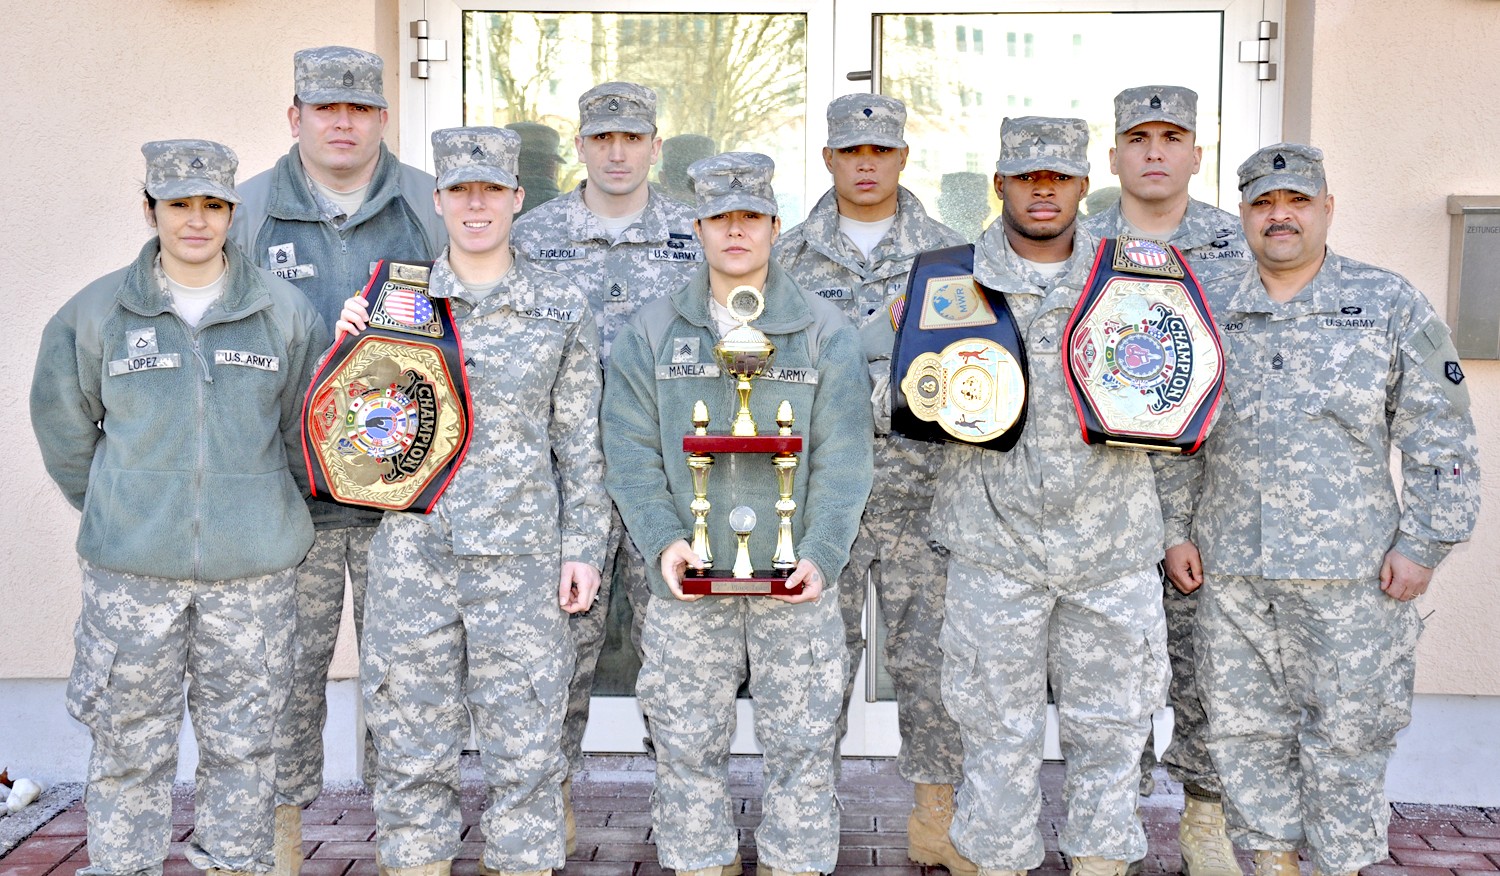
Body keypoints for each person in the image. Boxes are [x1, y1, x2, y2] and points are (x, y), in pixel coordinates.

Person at [1156, 143, 1481, 876]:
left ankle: (1340, 865)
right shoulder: (1205, 304)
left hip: (1354, 576)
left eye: (1297, 201)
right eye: (1263, 203)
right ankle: (1272, 862)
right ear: (1242, 213)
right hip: (1231, 571)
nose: (1280, 216)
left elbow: (1441, 433)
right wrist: (1176, 529)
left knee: (1349, 735)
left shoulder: (1386, 302)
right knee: (1242, 732)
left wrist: (1424, 542)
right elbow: (1176, 432)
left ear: (1326, 208)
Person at [30, 140, 327, 876]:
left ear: (233, 212)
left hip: (252, 578)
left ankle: (236, 865)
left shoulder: (283, 314)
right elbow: (67, 432)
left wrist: (260, 515)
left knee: (247, 748)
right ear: (150, 210)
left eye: (213, 205)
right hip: (134, 578)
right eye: (178, 204)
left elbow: (305, 435)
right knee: (129, 745)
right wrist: (126, 508)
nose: (196, 221)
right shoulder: (95, 314)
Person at [334, 126, 607, 876]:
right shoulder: (395, 300)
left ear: (518, 198)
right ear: (440, 200)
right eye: (461, 190)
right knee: (411, 733)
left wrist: (584, 546)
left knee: (525, 740)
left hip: (521, 558)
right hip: (415, 551)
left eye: (492, 189)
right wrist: (347, 352)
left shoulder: (559, 306)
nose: (476, 204)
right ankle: (415, 864)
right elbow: (353, 433)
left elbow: (581, 444)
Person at [602, 152, 874, 876]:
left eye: (749, 216)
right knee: (686, 747)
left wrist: (821, 550)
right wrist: (664, 541)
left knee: (805, 751)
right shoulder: (653, 330)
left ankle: (799, 864)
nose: (735, 231)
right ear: (697, 226)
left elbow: (846, 456)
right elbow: (628, 452)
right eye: (720, 217)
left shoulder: (823, 330)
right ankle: (699, 863)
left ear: (775, 225)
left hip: (797, 583)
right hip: (688, 585)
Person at [929, 117, 1169, 876]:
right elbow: (885, 400)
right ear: (999, 183)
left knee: (1114, 729)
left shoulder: (1137, 277)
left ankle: (1101, 862)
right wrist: (935, 385)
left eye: (1058, 178)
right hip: (994, 551)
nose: (1042, 191)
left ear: (1080, 186)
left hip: (1111, 551)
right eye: (1027, 176)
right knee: (996, 734)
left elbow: (1191, 398)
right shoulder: (948, 278)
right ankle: (997, 862)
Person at [229, 45, 445, 874]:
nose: (344, 122)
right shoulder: (246, 214)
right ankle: (279, 843)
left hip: (407, 498)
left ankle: (413, 850)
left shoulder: (433, 205)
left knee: (411, 681)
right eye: (326, 108)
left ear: (384, 118)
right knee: (283, 677)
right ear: (295, 116)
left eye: (360, 108)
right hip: (289, 500)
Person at [773, 93, 971, 875]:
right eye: (850, 151)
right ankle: (805, 828)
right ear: (827, 158)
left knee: (933, 667)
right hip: (823, 500)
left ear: (901, 158)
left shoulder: (953, 256)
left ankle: (935, 823)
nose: (865, 164)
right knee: (812, 671)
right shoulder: (785, 258)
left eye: (880, 152)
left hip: (928, 496)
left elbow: (973, 373)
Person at [511, 81, 705, 848]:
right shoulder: (532, 235)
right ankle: (542, 816)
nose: (618, 152)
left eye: (633, 138)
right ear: (581, 146)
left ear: (657, 145)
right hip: (564, 487)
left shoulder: (698, 234)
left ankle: (687, 825)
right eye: (601, 139)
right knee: (555, 663)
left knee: (678, 666)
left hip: (670, 483)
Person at [1079, 84, 1251, 876]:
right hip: (1096, 493)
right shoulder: (1075, 243)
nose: (1154, 151)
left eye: (1171, 136)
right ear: (1113, 156)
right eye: (1138, 137)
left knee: (1206, 664)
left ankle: (1205, 820)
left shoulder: (1237, 244)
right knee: (1101, 680)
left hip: (1208, 492)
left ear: (1195, 154)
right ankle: (1106, 830)